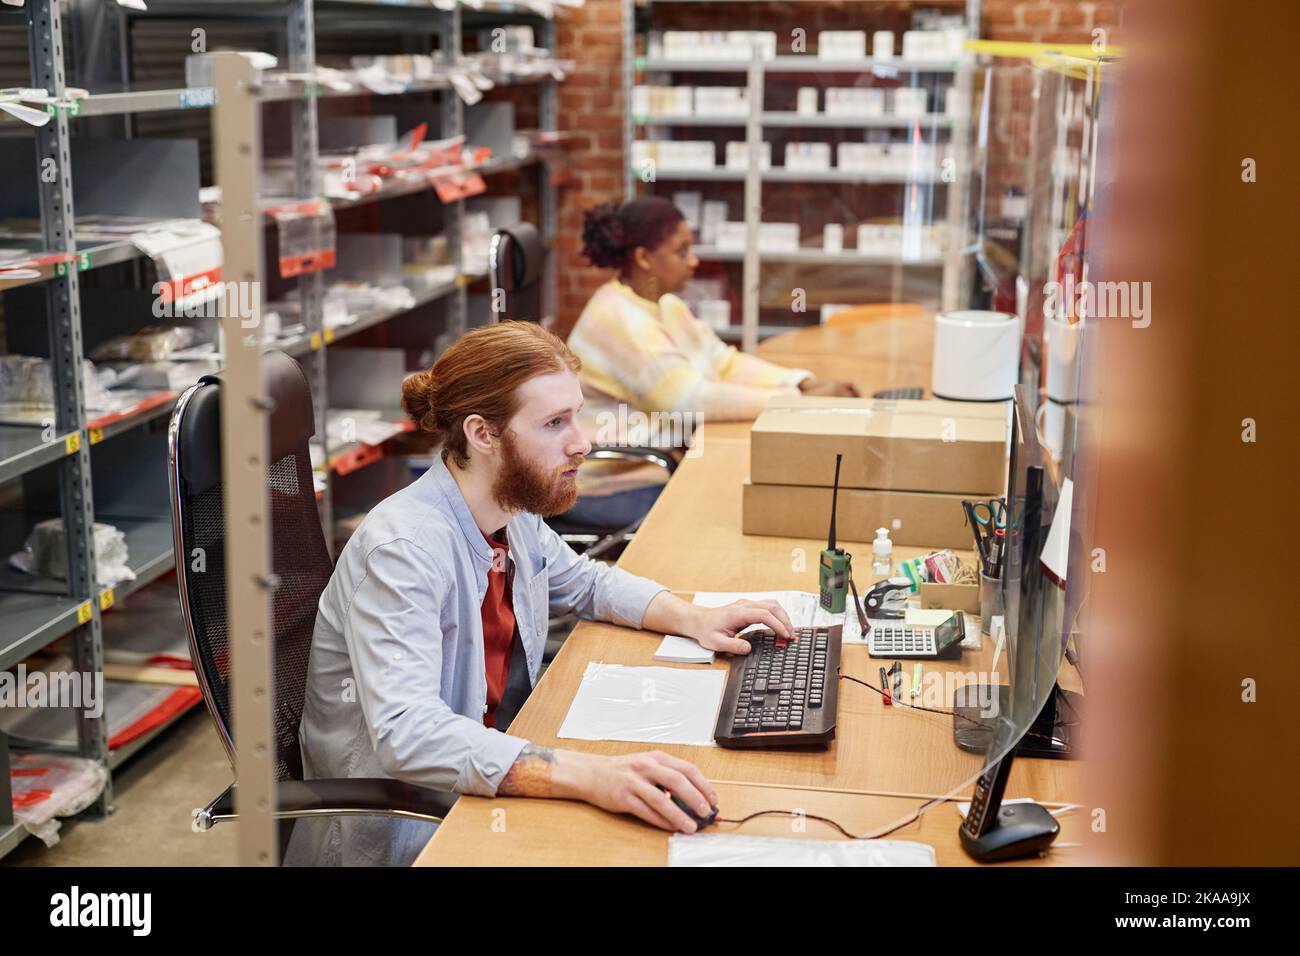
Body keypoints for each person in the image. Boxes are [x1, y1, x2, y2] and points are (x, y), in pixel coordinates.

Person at [285, 321, 794, 866]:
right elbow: (408, 734)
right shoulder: (403, 551)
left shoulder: (508, 510)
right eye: (555, 423)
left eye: (575, 415)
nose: (583, 441)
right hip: (411, 829)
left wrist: (693, 617)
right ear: (483, 434)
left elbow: (585, 582)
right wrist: (591, 774)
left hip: (488, 765)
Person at [561, 197, 860, 525]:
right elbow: (690, 400)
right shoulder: (617, 319)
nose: (693, 261)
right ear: (643, 258)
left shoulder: (666, 305)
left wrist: (800, 382)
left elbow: (723, 362)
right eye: (681, 251)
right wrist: (795, 402)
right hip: (614, 484)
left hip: (661, 463)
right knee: (729, 511)